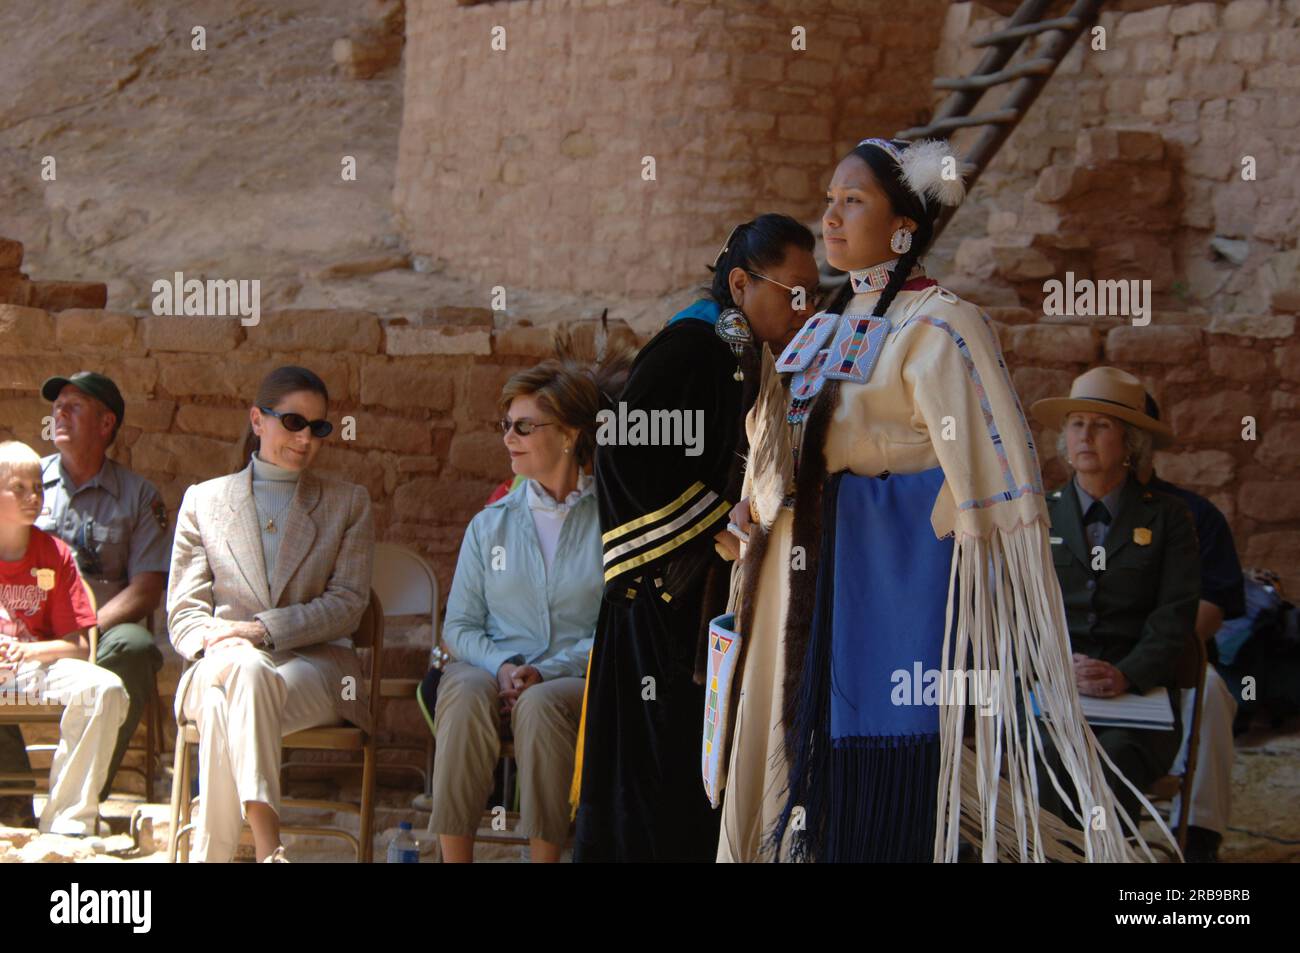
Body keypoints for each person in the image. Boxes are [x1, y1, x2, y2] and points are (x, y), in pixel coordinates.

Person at [722, 137, 1163, 863]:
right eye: (829, 201)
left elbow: (985, 482)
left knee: (870, 812)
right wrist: (758, 502)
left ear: (903, 228)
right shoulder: (828, 329)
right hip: (786, 597)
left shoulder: (943, 327)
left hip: (868, 604)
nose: (829, 218)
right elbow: (781, 451)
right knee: (773, 775)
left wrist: (867, 509)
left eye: (852, 202)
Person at [573, 213, 820, 862]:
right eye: (793, 290)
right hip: (658, 607)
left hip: (696, 604)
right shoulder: (691, 347)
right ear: (740, 283)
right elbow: (622, 454)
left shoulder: (737, 350)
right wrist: (717, 521)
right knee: (655, 784)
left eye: (812, 293)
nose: (805, 307)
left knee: (690, 779)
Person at [167, 366, 373, 862]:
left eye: (318, 427)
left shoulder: (348, 503)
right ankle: (268, 849)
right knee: (244, 672)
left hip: (316, 670)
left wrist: (260, 632)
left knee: (230, 700)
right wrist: (226, 643)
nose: (305, 438)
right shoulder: (203, 500)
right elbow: (184, 614)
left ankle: (217, 855)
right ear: (257, 420)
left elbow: (346, 605)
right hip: (216, 663)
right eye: (293, 422)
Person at [430, 359, 622, 863]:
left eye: (523, 426)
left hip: (574, 676)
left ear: (569, 435)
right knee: (465, 690)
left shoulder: (612, 520)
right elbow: (460, 626)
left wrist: (546, 670)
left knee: (541, 704)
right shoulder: (489, 525)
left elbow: (614, 628)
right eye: (505, 426)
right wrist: (505, 667)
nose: (508, 438)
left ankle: (544, 858)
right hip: (496, 668)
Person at [1030, 367, 1200, 833]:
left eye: (1101, 425)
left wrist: (1126, 673)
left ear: (1131, 444)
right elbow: (1021, 611)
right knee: (1045, 752)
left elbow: (1174, 618)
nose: (1085, 436)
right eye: (1077, 423)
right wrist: (1060, 665)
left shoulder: (1169, 519)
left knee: (1114, 757)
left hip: (1138, 700)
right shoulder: (1037, 515)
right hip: (1056, 693)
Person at [0, 372, 167, 827]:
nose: (59, 413)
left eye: (73, 406)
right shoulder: (27, 478)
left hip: (101, 628)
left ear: (106, 422)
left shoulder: (138, 496)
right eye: (57, 406)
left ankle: (84, 793)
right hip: (18, 632)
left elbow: (148, 586)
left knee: (134, 648)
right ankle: (12, 801)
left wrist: (86, 626)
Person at [0, 440, 127, 835]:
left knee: (104, 687)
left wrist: (28, 650)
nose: (32, 496)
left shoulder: (55, 554)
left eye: (37, 487)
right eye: (18, 488)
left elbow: (79, 646)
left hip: (33, 670)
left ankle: (68, 820)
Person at [1140, 392, 1245, 863]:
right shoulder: (1059, 513)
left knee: (1213, 694)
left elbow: (1212, 606)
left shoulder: (1194, 515)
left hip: (1174, 664)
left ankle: (1197, 839)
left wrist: (1145, 660)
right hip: (1085, 661)